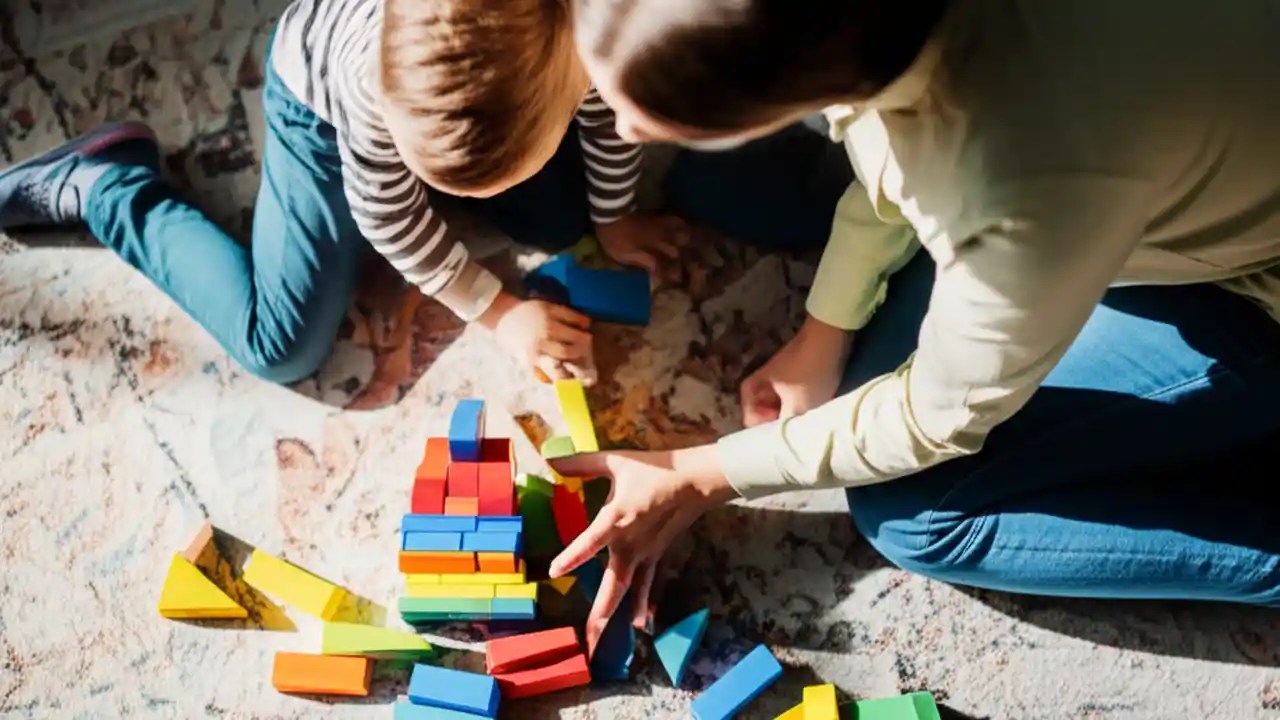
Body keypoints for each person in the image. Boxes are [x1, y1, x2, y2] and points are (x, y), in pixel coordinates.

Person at [551, 0, 1280, 654]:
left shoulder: (1017, 185)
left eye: (643, 116)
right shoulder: (887, 37)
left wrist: (703, 472)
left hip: (1246, 294)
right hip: (1169, 166)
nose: (618, 130)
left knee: (913, 512)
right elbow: (902, 144)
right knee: (855, 365)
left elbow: (940, 417)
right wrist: (826, 326)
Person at [0, 0, 686, 385]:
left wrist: (615, 214)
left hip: (483, 89)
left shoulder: (592, 37)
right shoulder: (369, 91)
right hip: (319, 109)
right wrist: (498, 310)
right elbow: (390, 217)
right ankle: (109, 188)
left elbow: (605, 120)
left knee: (565, 221)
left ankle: (508, 174)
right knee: (280, 346)